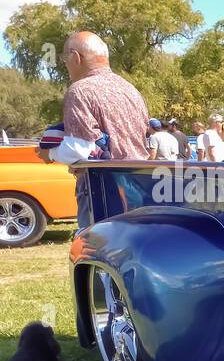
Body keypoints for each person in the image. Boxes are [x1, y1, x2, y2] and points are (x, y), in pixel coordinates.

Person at [37, 31, 149, 228]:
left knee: (95, 251)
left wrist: (49, 152)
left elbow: (80, 149)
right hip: (137, 186)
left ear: (76, 57)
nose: (66, 64)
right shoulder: (131, 89)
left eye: (65, 58)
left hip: (101, 189)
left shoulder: (80, 90)